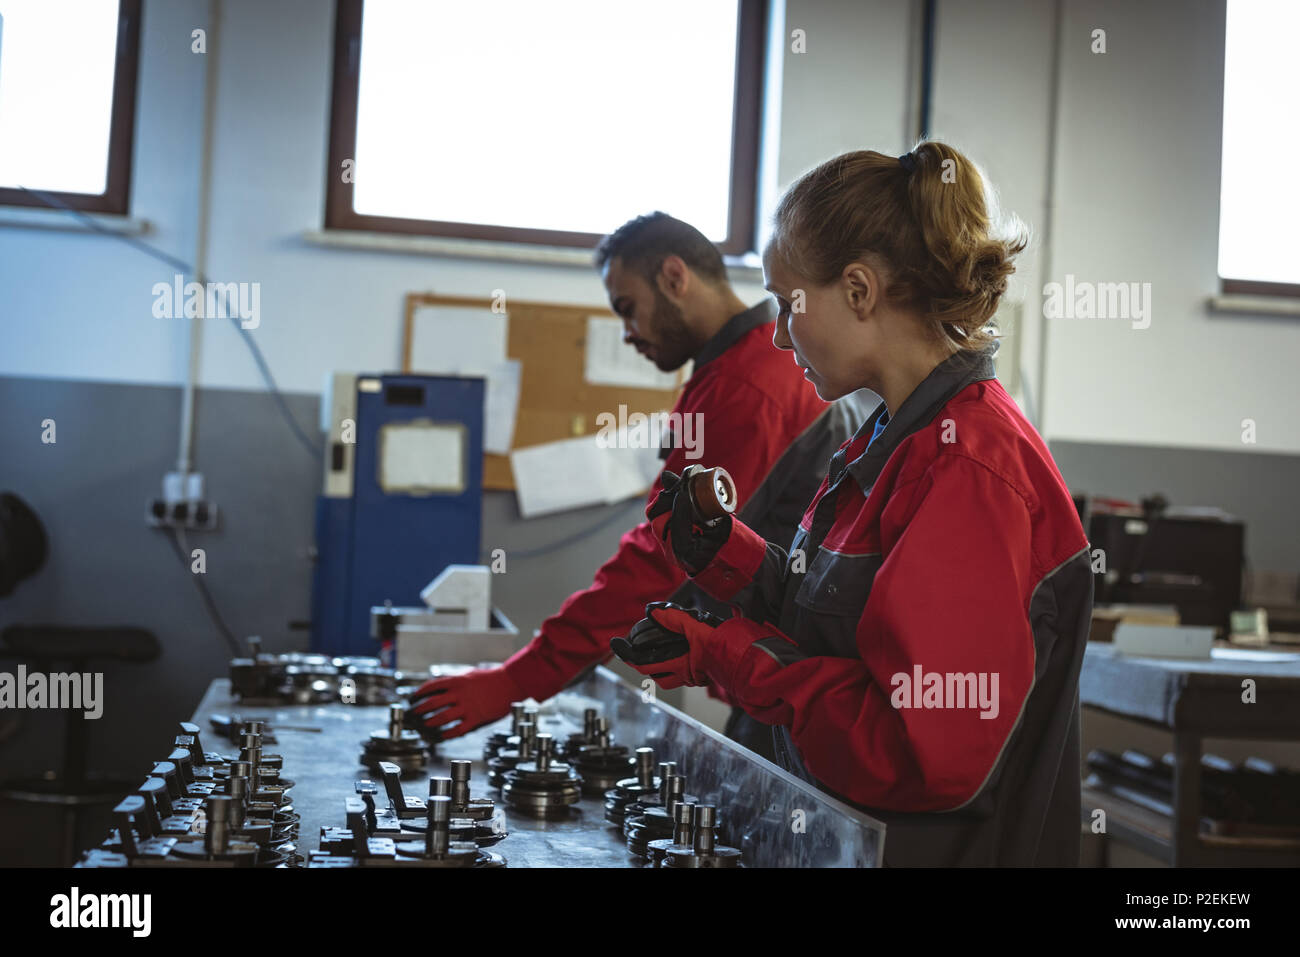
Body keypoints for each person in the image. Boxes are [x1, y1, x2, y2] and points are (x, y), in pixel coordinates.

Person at [624, 143, 1094, 866]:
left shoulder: (969, 469)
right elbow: (836, 626)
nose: (780, 334)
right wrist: (724, 551)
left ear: (859, 290)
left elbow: (917, 750)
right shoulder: (890, 442)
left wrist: (732, 658)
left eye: (789, 304)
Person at [410, 212, 869, 759]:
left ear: (674, 277)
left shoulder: (748, 386)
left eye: (627, 309)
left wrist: (515, 682)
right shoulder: (729, 376)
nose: (626, 334)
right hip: (783, 682)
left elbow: (659, 560)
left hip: (795, 691)